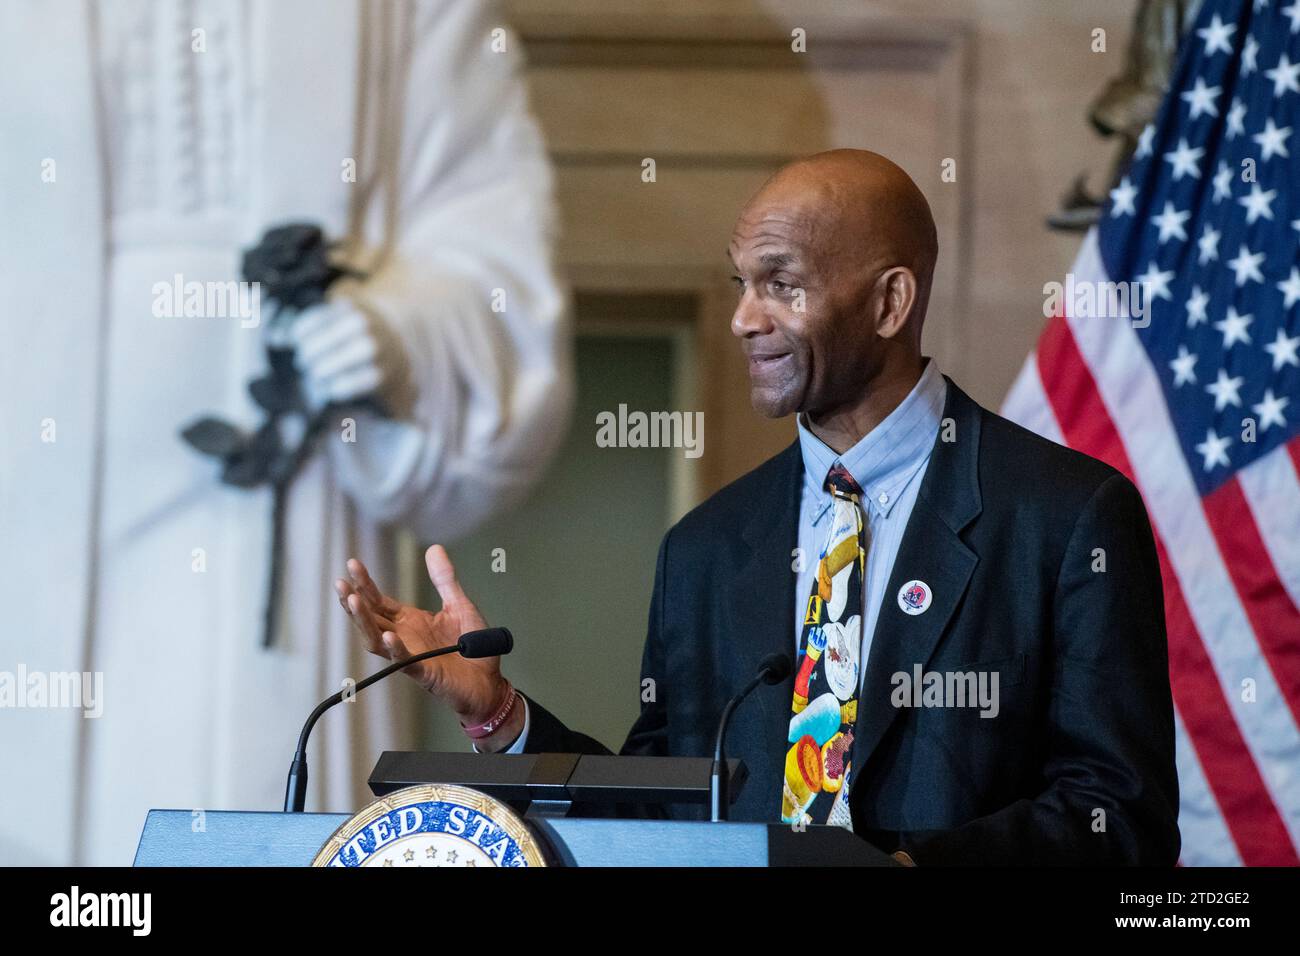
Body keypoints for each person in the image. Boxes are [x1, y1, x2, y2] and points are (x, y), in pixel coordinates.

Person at [337, 149, 1181, 865]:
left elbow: (1119, 813)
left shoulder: (1067, 518)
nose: (744, 318)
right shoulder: (706, 547)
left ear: (890, 303)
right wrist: (499, 712)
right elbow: (662, 815)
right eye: (743, 282)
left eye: (782, 284)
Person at [0, 0, 570, 865]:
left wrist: (399, 341)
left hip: (280, 535)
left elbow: (498, 265)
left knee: (254, 804)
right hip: (33, 503)